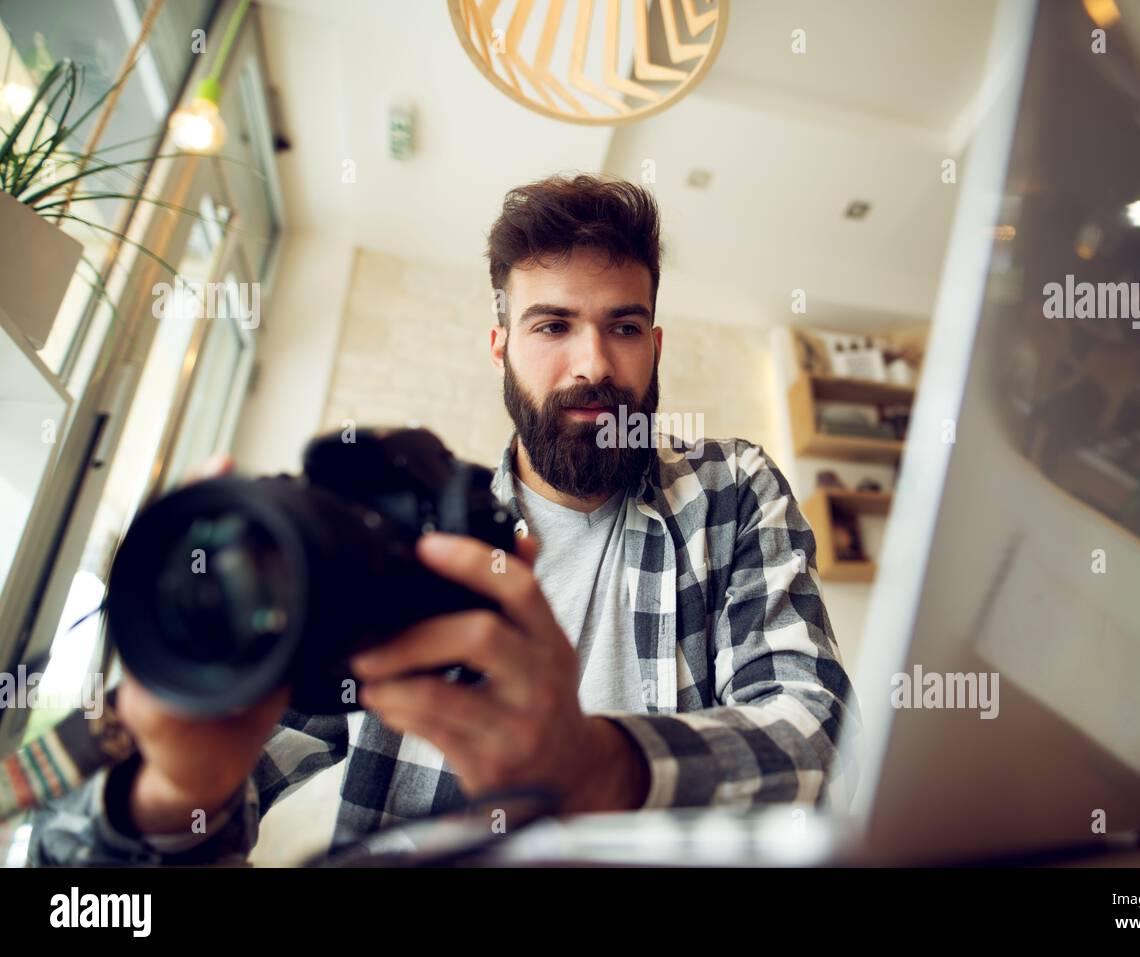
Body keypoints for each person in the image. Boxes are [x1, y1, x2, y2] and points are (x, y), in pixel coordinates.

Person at [28, 174, 861, 865]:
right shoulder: (402, 545)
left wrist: (591, 763)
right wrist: (177, 793)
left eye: (624, 326)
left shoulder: (731, 487)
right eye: (552, 324)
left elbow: (815, 734)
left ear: (656, 345)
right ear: (499, 344)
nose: (594, 363)